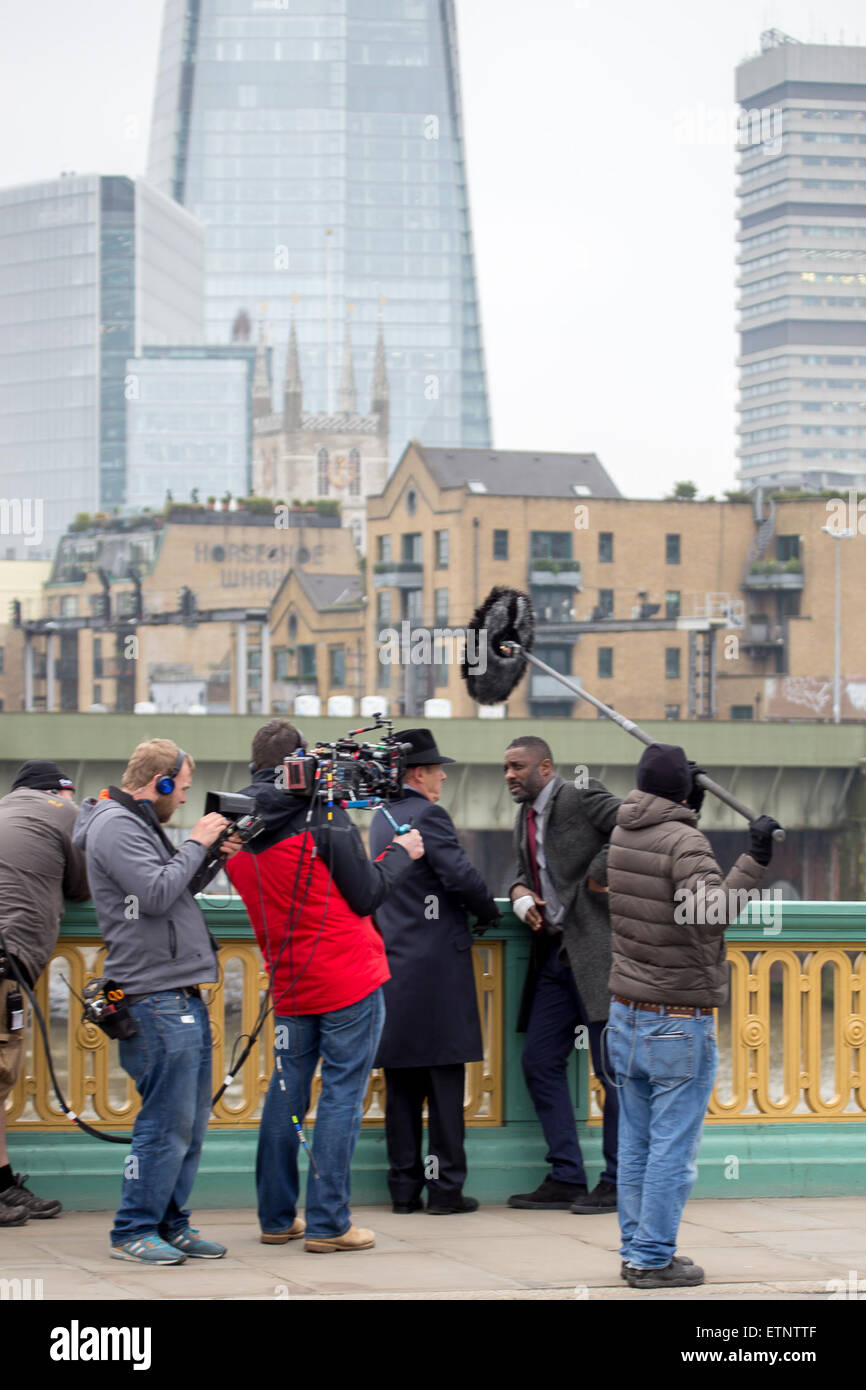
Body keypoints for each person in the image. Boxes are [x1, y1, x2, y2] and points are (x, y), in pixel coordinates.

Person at [226, 718, 425, 1253]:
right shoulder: (320, 813)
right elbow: (366, 895)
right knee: (341, 1094)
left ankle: (275, 1217)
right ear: (303, 760)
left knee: (285, 1093)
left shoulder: (234, 823)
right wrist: (402, 854)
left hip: (288, 979)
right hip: (347, 977)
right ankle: (329, 1223)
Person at [605, 741, 779, 1289]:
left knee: (634, 1144)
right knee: (672, 1151)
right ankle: (653, 1259)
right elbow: (711, 914)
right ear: (684, 792)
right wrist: (756, 860)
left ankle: (637, 1249)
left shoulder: (623, 830)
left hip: (625, 1014)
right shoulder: (685, 840)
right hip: (676, 1020)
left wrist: (684, 799)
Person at [74, 739, 238, 1265]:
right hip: (153, 993)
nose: (185, 800)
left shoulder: (137, 824)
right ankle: (132, 1230)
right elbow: (154, 895)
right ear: (160, 781)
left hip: (176, 989)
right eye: (182, 788)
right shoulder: (116, 826)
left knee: (189, 1123)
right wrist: (196, 840)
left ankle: (171, 1223)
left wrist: (210, 854)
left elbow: (177, 888)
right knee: (164, 1124)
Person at [369, 728, 500, 1216]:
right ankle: (445, 1189)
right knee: (444, 1084)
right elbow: (461, 876)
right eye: (437, 767)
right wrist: (488, 912)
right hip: (438, 970)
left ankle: (403, 1189)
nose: (444, 775)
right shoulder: (429, 814)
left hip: (395, 966)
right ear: (418, 773)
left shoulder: (381, 819)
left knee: (402, 1084)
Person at [503, 736, 621, 1214]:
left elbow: (629, 827)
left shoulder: (581, 794)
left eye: (518, 766)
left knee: (612, 1073)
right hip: (553, 957)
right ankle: (568, 1176)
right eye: (506, 767)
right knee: (539, 1062)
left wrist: (597, 874)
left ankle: (618, 1180)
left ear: (546, 767)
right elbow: (522, 871)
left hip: (597, 956)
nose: (509, 775)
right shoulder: (522, 816)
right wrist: (519, 896)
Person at [0, 761, 89, 1226]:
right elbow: (83, 886)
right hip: (6, 960)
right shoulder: (62, 811)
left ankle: (2, 1184)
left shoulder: (6, 808)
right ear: (61, 792)